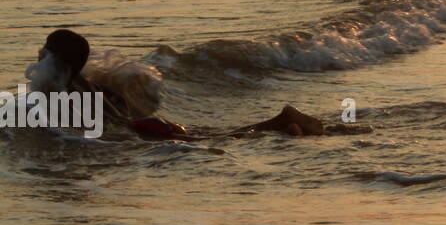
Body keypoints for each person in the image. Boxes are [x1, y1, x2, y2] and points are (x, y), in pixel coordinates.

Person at [25, 29, 325, 139]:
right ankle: (285, 126)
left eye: (46, 49)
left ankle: (283, 120)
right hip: (149, 125)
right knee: (221, 136)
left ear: (56, 59)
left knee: (219, 139)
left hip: (146, 130)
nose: (40, 54)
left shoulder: (68, 90)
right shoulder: (86, 84)